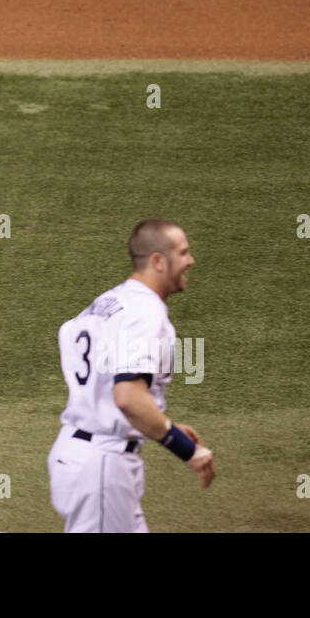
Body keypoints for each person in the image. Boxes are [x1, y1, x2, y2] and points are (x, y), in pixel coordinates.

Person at [46, 219, 215, 531]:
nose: (191, 261)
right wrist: (184, 448)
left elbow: (108, 388)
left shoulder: (109, 303)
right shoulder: (144, 314)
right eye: (183, 253)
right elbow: (127, 398)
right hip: (101, 465)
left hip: (80, 453)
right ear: (158, 261)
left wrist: (161, 422)